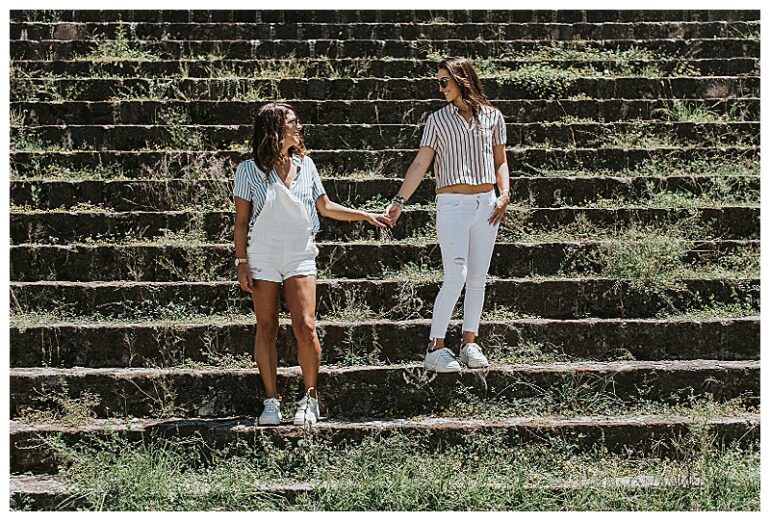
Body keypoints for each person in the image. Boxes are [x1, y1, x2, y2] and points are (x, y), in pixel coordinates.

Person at [233, 102, 391, 426]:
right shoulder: (248, 170)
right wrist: (241, 262)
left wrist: (365, 215)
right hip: (263, 252)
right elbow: (241, 222)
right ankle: (271, 401)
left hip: (299, 251)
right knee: (266, 326)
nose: (298, 127)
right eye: (292, 122)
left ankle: (310, 398)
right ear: (275, 128)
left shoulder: (306, 165)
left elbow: (325, 206)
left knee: (305, 324)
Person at [385, 56, 511, 373]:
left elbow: (500, 161)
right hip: (452, 204)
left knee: (478, 277)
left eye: (444, 82)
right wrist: (399, 200)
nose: (440, 88)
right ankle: (435, 347)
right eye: (439, 82)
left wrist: (504, 194)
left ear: (462, 80)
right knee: (456, 275)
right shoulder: (437, 120)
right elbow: (420, 163)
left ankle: (470, 343)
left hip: (487, 203)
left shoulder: (493, 117)